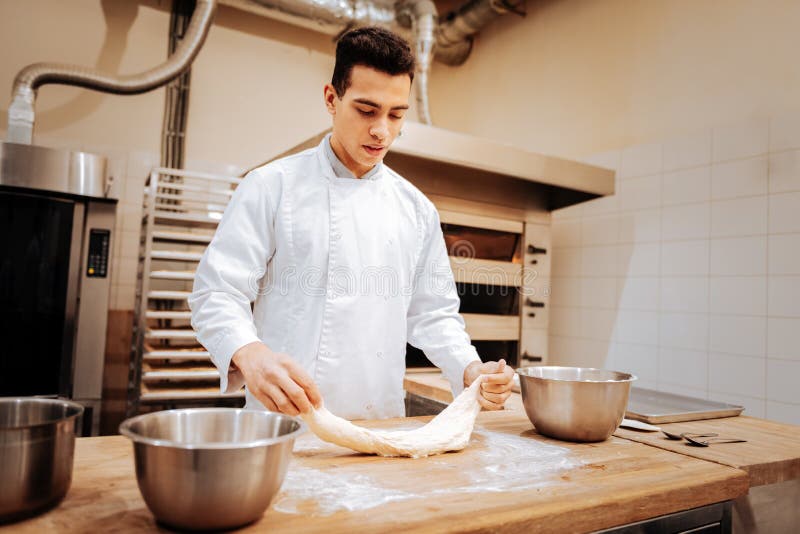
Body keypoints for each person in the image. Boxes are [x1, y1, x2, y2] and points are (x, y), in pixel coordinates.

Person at [189, 26, 514, 420]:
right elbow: (218, 292)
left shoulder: (416, 209)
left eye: (396, 115)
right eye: (366, 110)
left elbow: (433, 313)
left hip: (379, 425)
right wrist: (250, 354)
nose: (382, 130)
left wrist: (469, 367)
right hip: (287, 423)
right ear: (331, 98)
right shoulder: (271, 186)